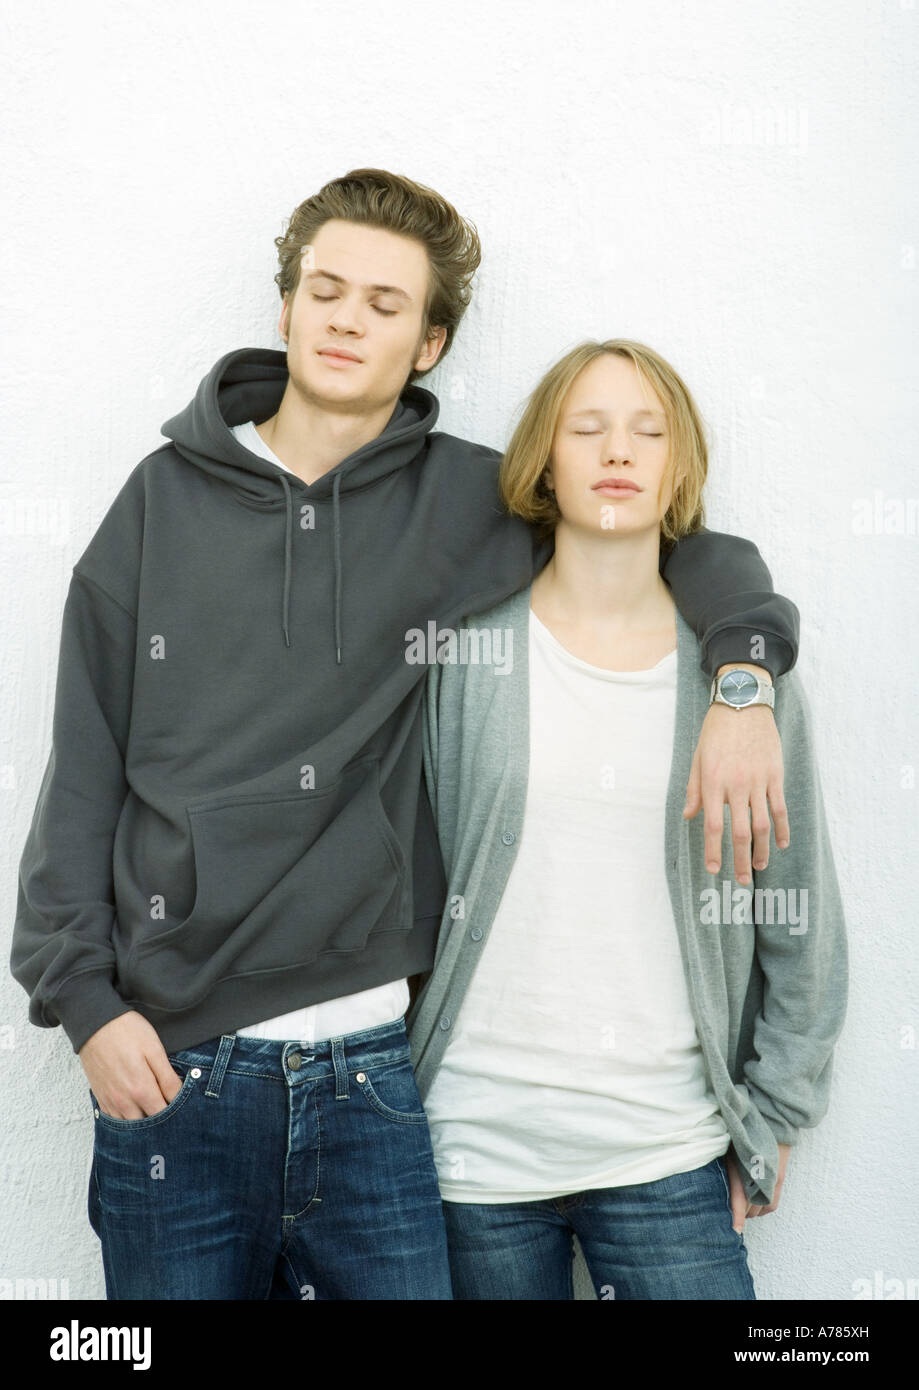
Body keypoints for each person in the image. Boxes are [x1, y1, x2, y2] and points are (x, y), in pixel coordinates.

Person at [11, 170, 799, 1300]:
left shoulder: (473, 505)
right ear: (284, 309)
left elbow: (671, 544)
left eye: (385, 304)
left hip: (377, 1081)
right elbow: (81, 773)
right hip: (173, 1065)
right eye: (326, 290)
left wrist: (742, 681)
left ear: (428, 343)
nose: (346, 319)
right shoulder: (157, 503)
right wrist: (83, 1003)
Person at [407, 339, 847, 1300]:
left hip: (668, 1152)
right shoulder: (465, 652)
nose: (619, 450)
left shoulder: (738, 683)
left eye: (648, 431)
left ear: (679, 466)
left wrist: (770, 1115)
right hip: (472, 1154)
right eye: (588, 427)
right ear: (544, 460)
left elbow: (797, 910)